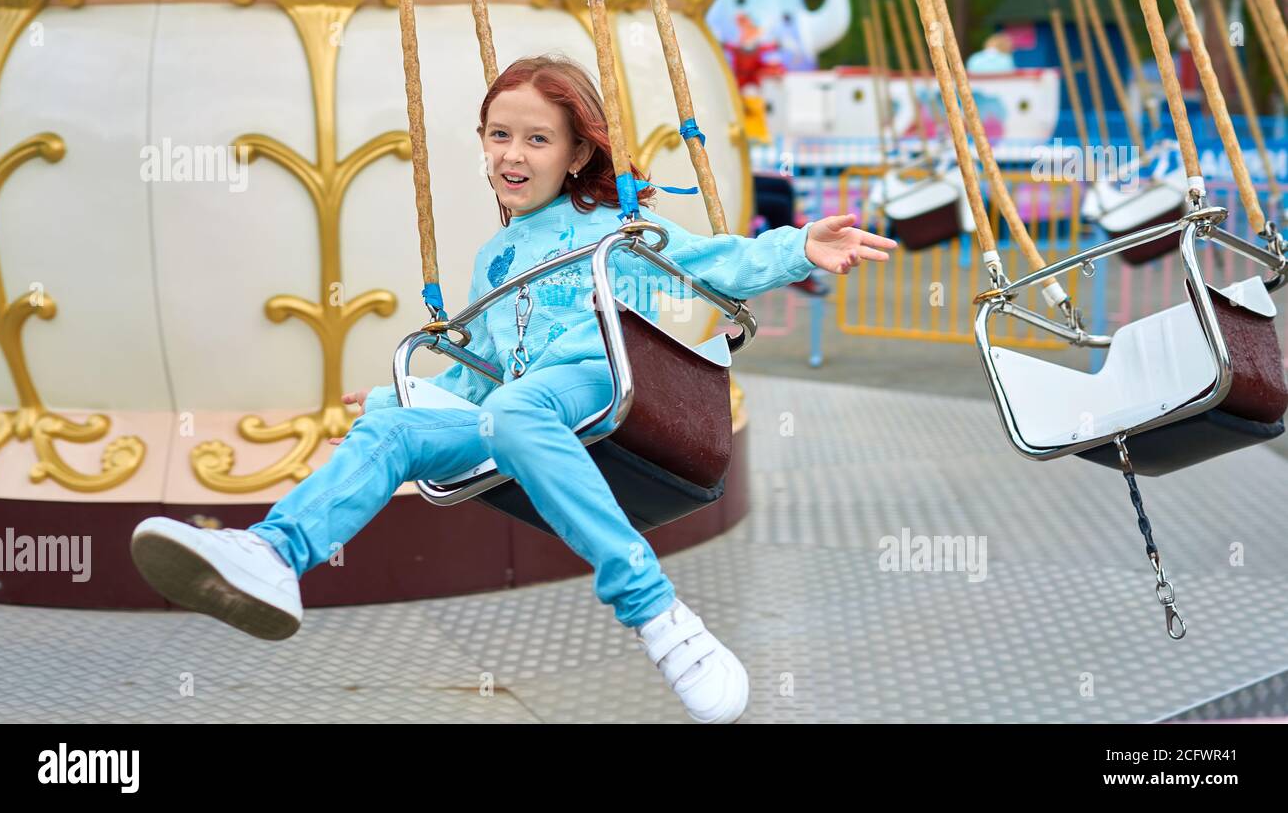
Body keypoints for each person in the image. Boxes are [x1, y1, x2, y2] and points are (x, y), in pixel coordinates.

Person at [130, 55, 896, 724]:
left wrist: (798, 246)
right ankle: (272, 554)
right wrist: (399, 404)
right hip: (515, 414)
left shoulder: (611, 224)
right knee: (405, 429)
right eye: (499, 135)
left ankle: (656, 611)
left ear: (573, 154)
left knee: (517, 406)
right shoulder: (494, 260)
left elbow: (716, 264)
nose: (513, 155)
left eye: (536, 138)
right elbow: (476, 377)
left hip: (607, 383)